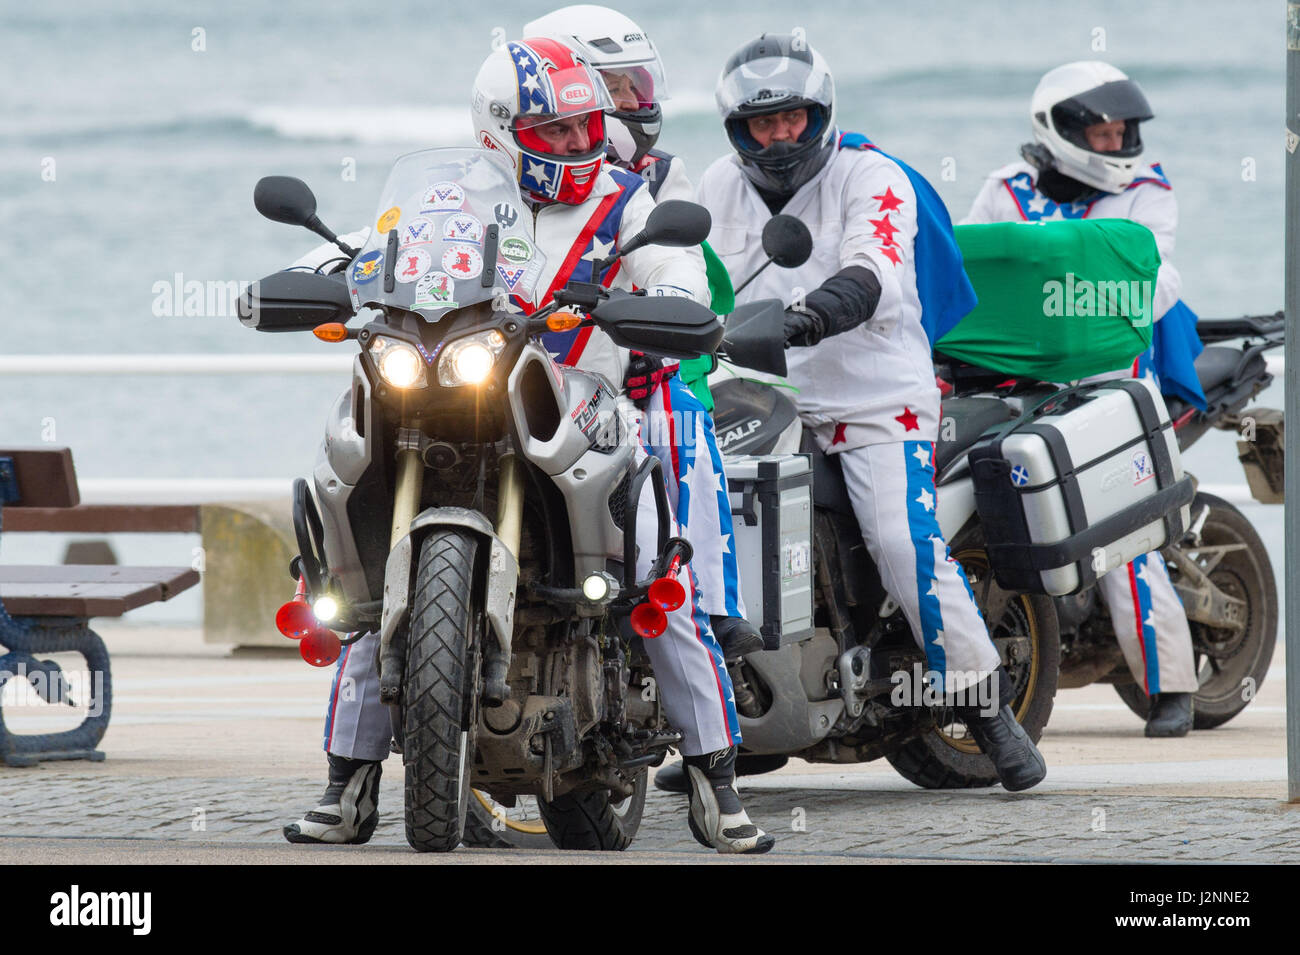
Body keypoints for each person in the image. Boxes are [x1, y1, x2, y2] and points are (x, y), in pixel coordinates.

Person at [283, 35, 773, 854]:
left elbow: (674, 262)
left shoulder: (626, 201)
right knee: (370, 597)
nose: (579, 147)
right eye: (557, 134)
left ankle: (717, 785)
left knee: (660, 583)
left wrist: (672, 295)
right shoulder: (450, 201)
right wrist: (310, 276)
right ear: (498, 132)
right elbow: (374, 245)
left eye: (587, 129)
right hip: (459, 407)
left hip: (590, 411)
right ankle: (348, 785)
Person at [694, 32, 1048, 792]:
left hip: (872, 393)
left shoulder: (871, 173)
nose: (779, 135)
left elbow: (874, 268)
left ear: (817, 114)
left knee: (899, 538)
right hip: (755, 392)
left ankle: (987, 707)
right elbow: (680, 271)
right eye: (763, 124)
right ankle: (726, 725)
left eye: (792, 118)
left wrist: (811, 316)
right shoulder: (715, 186)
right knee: (698, 534)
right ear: (739, 129)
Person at [960, 61, 1198, 737]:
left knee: (1121, 538)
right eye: (1103, 132)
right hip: (1016, 377)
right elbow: (970, 265)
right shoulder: (1004, 188)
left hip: (1110, 376)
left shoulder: (1147, 189)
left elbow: (1161, 273)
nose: (1117, 143)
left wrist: (1083, 297)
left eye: (1123, 130)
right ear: (1062, 130)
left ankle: (1171, 686)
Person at [523, 6, 761, 666]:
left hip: (633, 369)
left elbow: (685, 270)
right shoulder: (510, 181)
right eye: (615, 87)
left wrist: (665, 313)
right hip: (521, 365)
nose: (632, 101)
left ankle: (713, 608)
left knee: (681, 429)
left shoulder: (655, 176)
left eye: (635, 85)